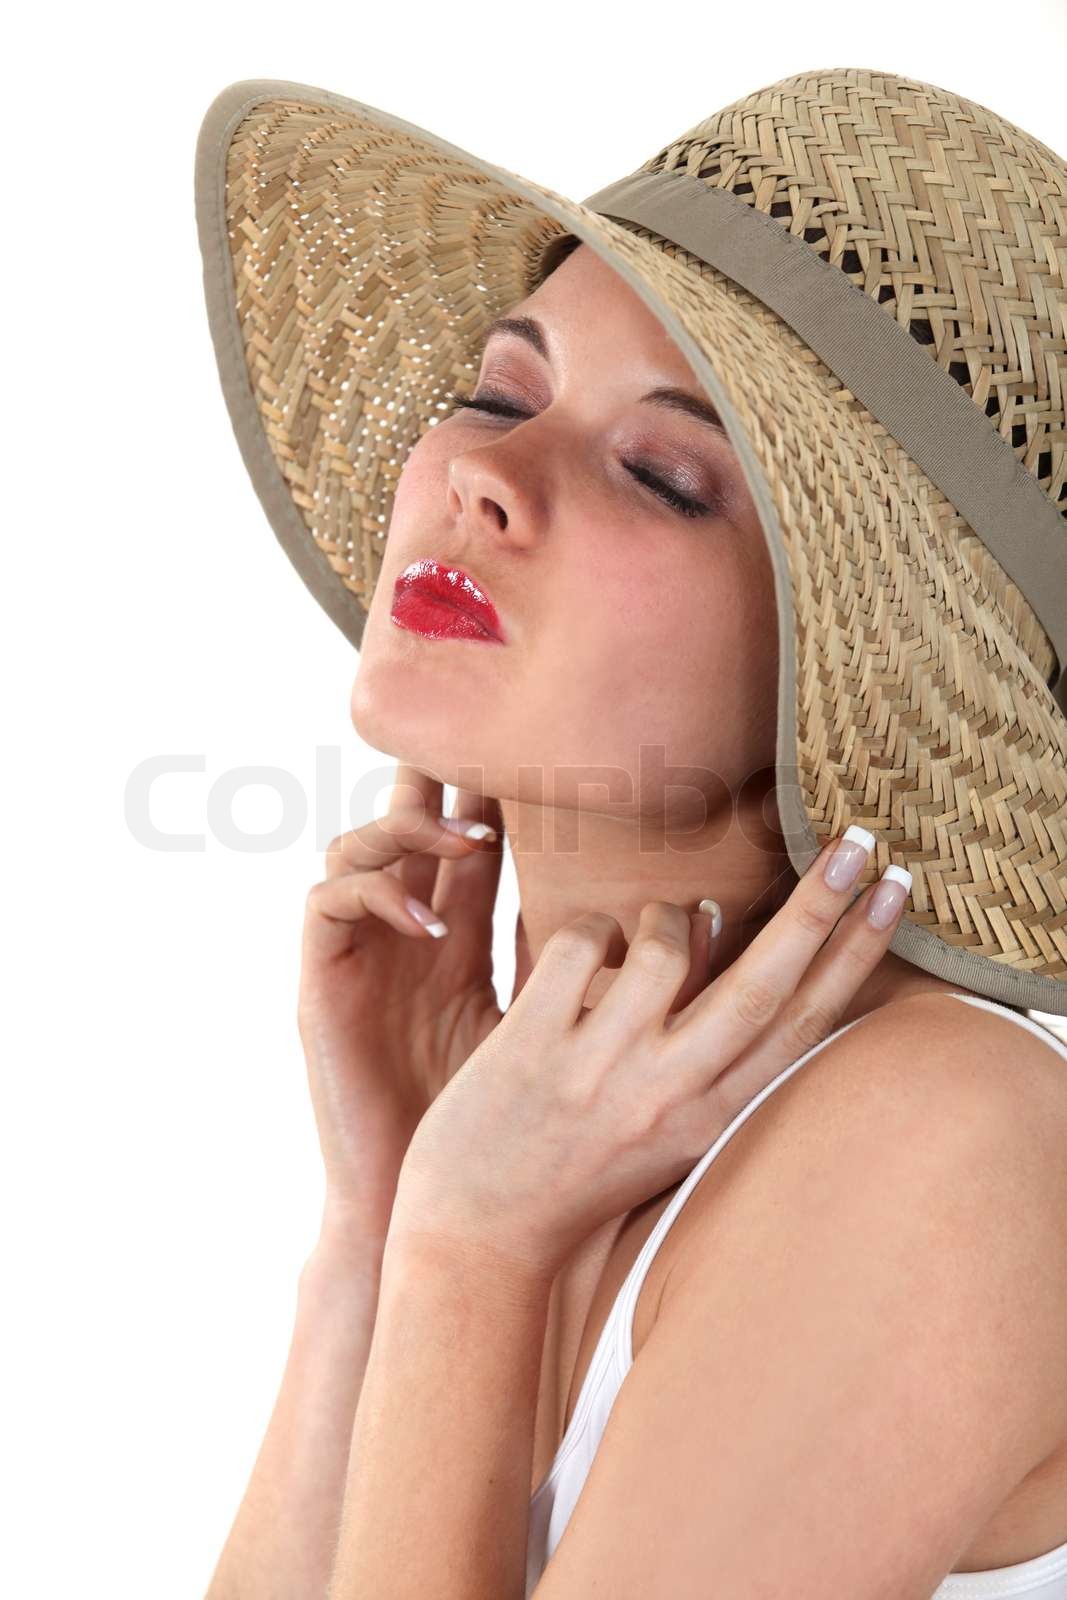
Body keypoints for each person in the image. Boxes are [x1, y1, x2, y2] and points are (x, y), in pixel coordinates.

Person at [195, 69, 1067, 1598]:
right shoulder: (523, 1139)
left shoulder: (950, 1133)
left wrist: (467, 1255)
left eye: (663, 476)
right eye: (497, 394)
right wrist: (382, 1218)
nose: (481, 476)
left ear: (850, 671)